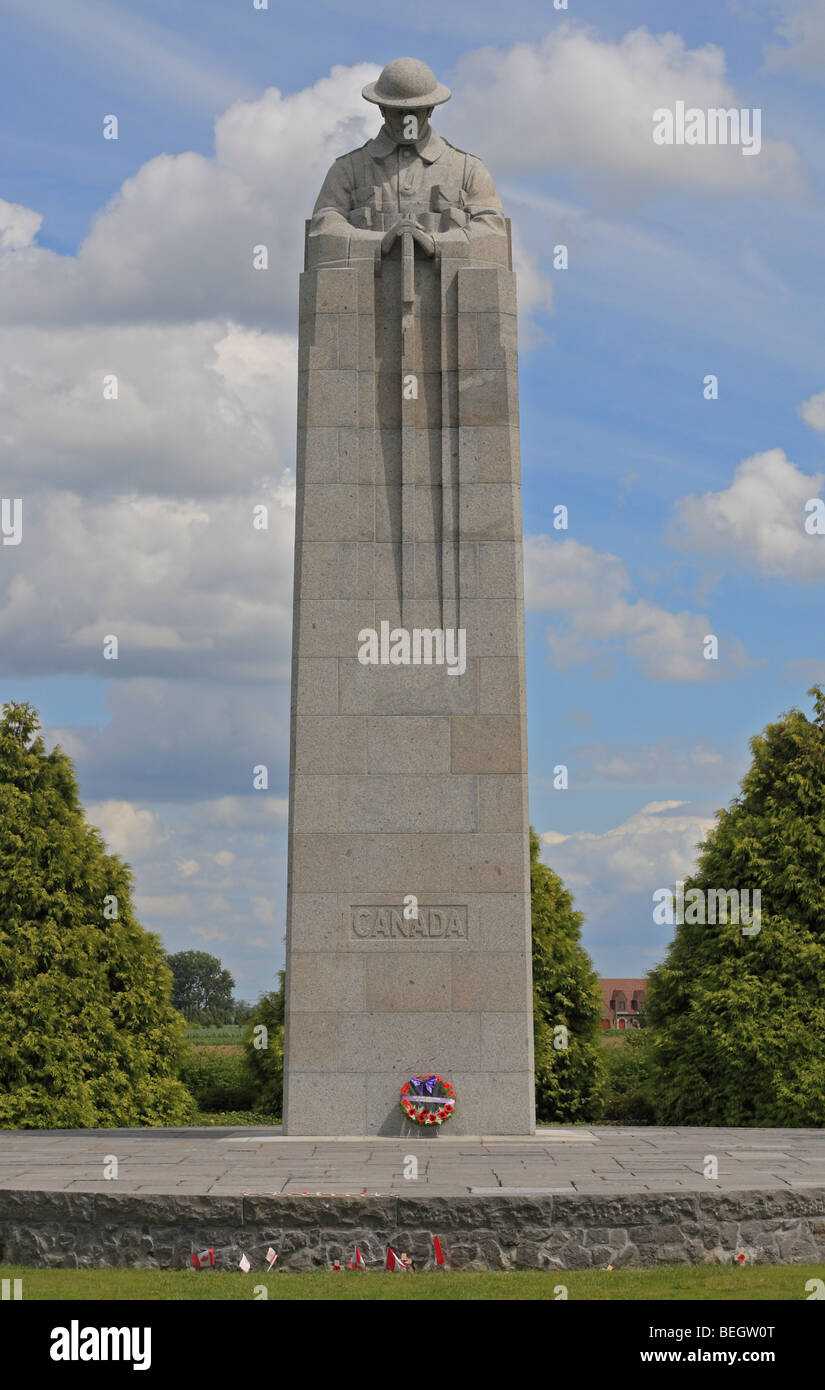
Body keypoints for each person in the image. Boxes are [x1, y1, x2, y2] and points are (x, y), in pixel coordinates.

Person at [310, 57, 507, 259]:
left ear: (430, 109)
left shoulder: (468, 169)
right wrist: (379, 242)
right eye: (398, 112)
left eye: (414, 111)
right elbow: (323, 231)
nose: (406, 120)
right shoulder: (348, 168)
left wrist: (436, 244)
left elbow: (493, 233)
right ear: (382, 109)